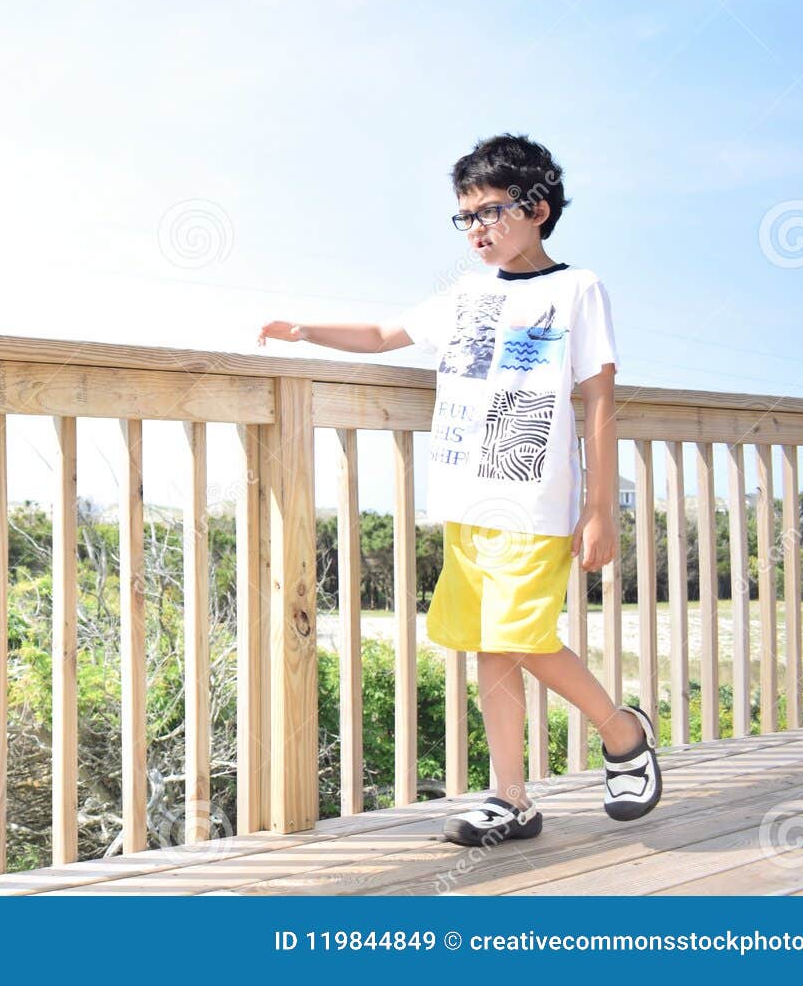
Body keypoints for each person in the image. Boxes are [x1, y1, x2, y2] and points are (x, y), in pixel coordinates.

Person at [256, 133, 660, 847]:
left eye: (490, 211)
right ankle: (511, 798)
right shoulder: (465, 294)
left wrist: (601, 507)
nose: (476, 228)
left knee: (521, 633)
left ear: (536, 209)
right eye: (465, 216)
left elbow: (598, 399)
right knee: (489, 646)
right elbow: (385, 331)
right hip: (465, 500)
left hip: (535, 500)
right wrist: (303, 329)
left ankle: (622, 732)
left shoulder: (576, 289)